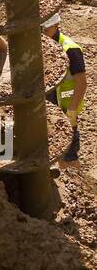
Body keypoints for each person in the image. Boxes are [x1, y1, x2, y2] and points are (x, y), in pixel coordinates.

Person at [43, 12, 87, 163]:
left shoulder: (70, 49)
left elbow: (82, 83)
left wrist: (72, 110)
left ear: (56, 25)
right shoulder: (42, 45)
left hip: (66, 108)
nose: (43, 34)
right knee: (52, 149)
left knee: (68, 154)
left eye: (46, 29)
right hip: (49, 106)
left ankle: (73, 182)